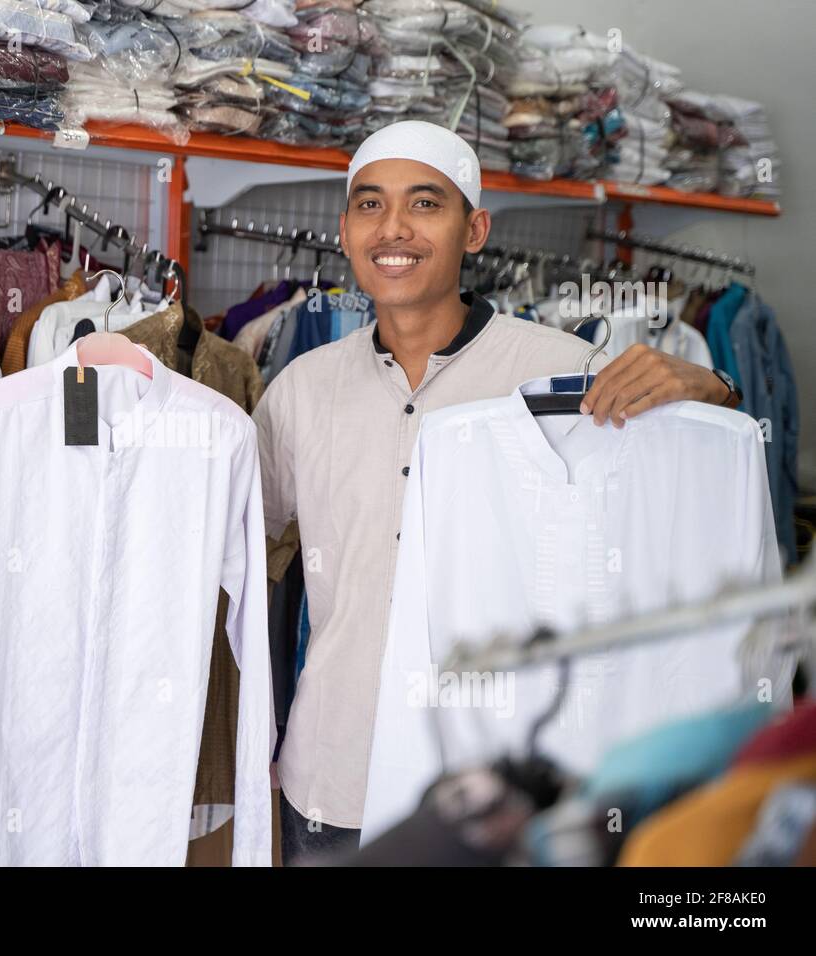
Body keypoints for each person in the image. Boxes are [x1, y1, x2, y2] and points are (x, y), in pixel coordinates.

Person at [253, 120, 744, 866]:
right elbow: (230, 549)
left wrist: (715, 387)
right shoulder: (298, 392)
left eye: (425, 204)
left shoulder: (567, 373)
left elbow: (690, 489)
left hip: (501, 787)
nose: (394, 230)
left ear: (474, 229)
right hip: (334, 777)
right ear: (345, 232)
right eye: (369, 205)